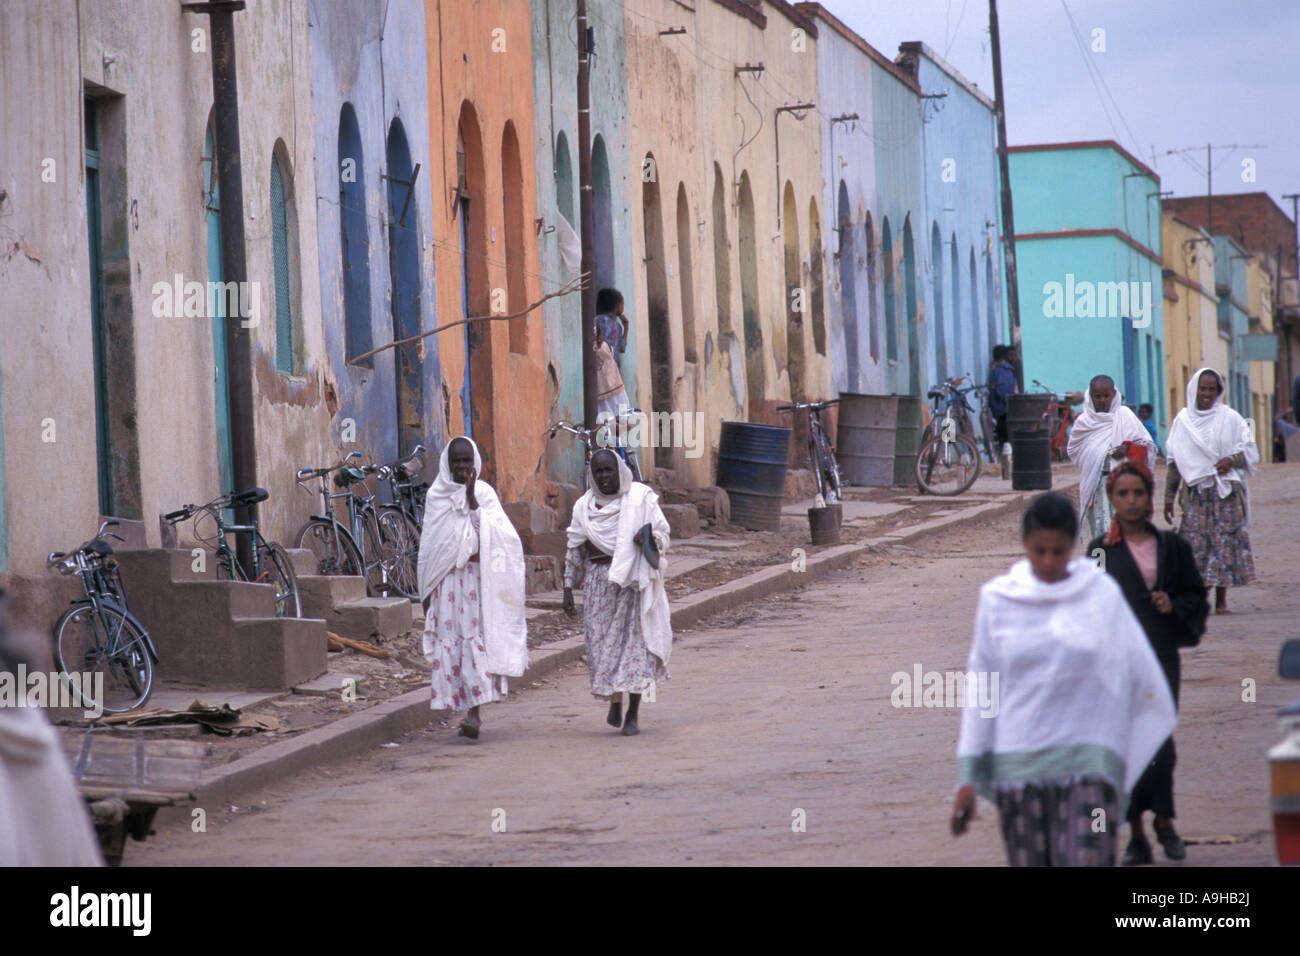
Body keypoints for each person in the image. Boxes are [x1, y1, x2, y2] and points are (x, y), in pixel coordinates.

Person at [951, 492, 1176, 867]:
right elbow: (982, 691)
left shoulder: (1101, 596)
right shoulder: (998, 600)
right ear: (1024, 544)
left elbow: (1138, 675)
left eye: (1058, 551)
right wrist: (968, 775)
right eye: (1039, 551)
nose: (1048, 561)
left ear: (1072, 546)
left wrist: (1123, 743)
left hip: (1089, 766)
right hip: (1019, 772)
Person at [1088, 461, 1208, 866]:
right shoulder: (1100, 553)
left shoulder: (1173, 548)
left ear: (1149, 496)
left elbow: (1195, 596)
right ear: (1112, 498)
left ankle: (1163, 820)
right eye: (1122, 494)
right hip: (1116, 666)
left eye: (1138, 493)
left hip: (1159, 658)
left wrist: (1171, 605)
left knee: (1160, 741)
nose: (1131, 501)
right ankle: (1137, 834)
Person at [418, 436, 528, 739]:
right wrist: (426, 590)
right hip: (448, 582)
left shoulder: (484, 494)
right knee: (452, 642)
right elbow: (430, 547)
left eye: (468, 460)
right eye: (457, 461)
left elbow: (502, 538)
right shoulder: (436, 496)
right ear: (447, 463)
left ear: (475, 462)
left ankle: (474, 714)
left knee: (475, 640)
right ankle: (462, 705)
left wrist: (472, 502)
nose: (463, 466)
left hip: (479, 582)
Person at [562, 449, 672, 735]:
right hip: (598, 585)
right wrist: (567, 588)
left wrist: (648, 538)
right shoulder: (583, 508)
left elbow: (662, 532)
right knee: (600, 648)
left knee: (635, 648)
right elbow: (574, 548)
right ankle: (614, 699)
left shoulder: (639, 499)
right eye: (598, 471)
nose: (604, 476)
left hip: (632, 582)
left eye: (608, 470)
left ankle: (633, 714)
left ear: (620, 470)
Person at [1163, 368, 1258, 614]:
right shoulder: (1182, 422)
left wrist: (1231, 460)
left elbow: (1248, 451)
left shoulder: (1232, 418)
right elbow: (1175, 462)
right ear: (1194, 389)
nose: (1206, 394)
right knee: (1195, 545)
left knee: (1223, 544)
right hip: (1197, 494)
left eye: (1211, 389)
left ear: (1218, 392)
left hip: (1225, 493)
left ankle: (1221, 601)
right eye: (1202, 389)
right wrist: (1168, 498)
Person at [1067, 374, 1154, 543]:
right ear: (1090, 396)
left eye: (1106, 396)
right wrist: (1106, 454)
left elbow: (1146, 447)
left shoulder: (1125, 416)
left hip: (1125, 485)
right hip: (1098, 486)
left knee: (1127, 531)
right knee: (1102, 533)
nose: (1102, 400)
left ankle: (1124, 567)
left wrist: (1128, 448)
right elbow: (1075, 451)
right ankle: (1101, 566)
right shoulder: (1084, 423)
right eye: (1097, 396)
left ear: (1114, 395)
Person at [988, 345, 1018, 452]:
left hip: (1003, 408)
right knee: (1004, 435)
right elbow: (1002, 390)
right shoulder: (1003, 370)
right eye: (1011, 355)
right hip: (1003, 409)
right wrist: (1009, 401)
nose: (1014, 358)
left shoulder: (1005, 369)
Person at [594, 288, 630, 372]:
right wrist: (626, 327)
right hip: (612, 370)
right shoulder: (616, 326)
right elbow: (622, 348)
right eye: (622, 303)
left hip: (598, 368)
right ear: (617, 305)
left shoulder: (596, 320)